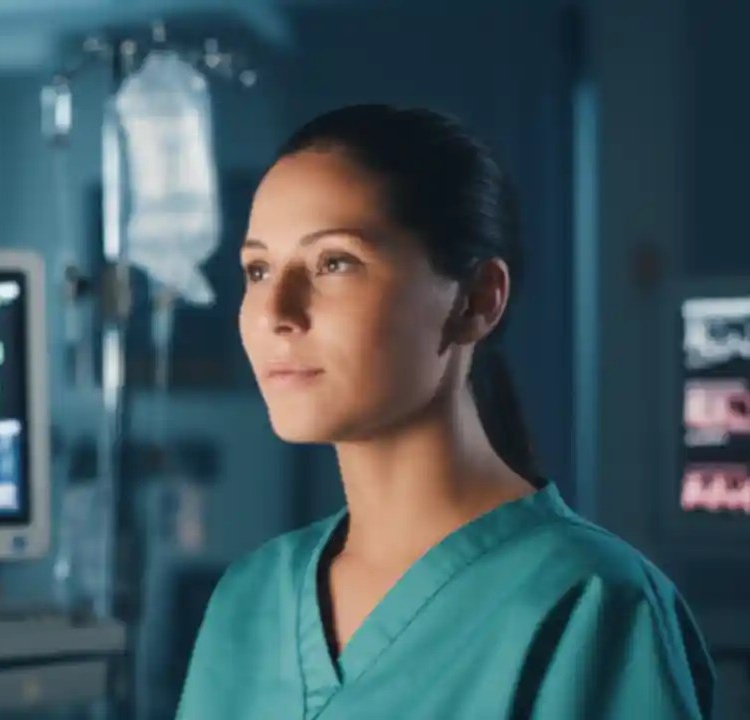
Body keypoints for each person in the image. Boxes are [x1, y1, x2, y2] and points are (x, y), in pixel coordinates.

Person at [176, 105, 715, 719]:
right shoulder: (248, 600)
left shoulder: (591, 606)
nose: (278, 311)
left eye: (335, 263)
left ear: (477, 301)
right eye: (258, 269)